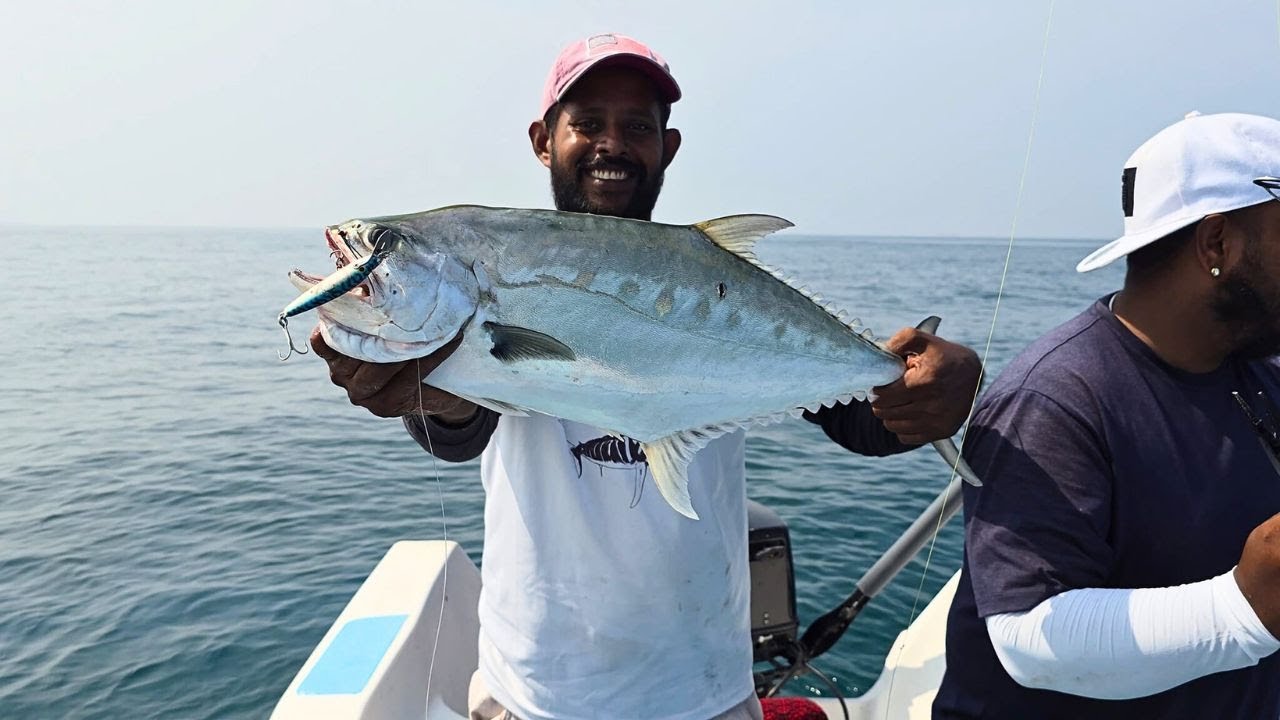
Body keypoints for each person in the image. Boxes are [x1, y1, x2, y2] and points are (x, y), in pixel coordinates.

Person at [311, 33, 981, 720]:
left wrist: (938, 395)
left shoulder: (721, 286)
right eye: (588, 123)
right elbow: (459, 429)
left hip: (705, 691)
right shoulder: (498, 263)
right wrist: (425, 393)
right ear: (545, 139)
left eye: (637, 126)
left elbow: (860, 420)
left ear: (669, 146)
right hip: (536, 693)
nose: (612, 144)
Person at [933, 111, 1280, 719]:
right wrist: (1243, 605)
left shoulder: (1257, 371)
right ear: (1218, 243)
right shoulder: (1053, 399)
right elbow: (1028, 639)